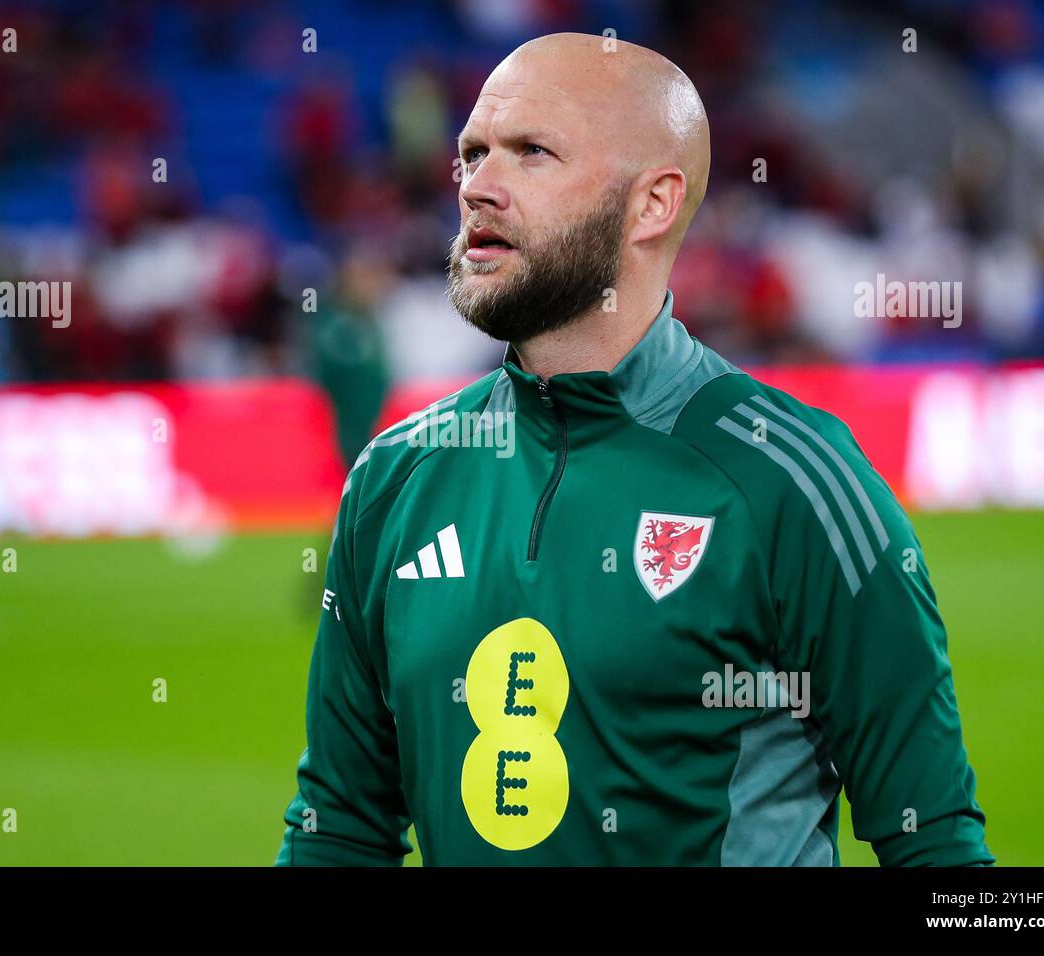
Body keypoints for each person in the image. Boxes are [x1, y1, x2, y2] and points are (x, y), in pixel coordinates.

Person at [276, 32, 991, 865]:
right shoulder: (395, 480)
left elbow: (934, 844)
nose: (479, 187)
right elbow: (339, 830)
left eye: (531, 153)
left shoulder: (793, 480)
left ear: (653, 204)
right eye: (472, 155)